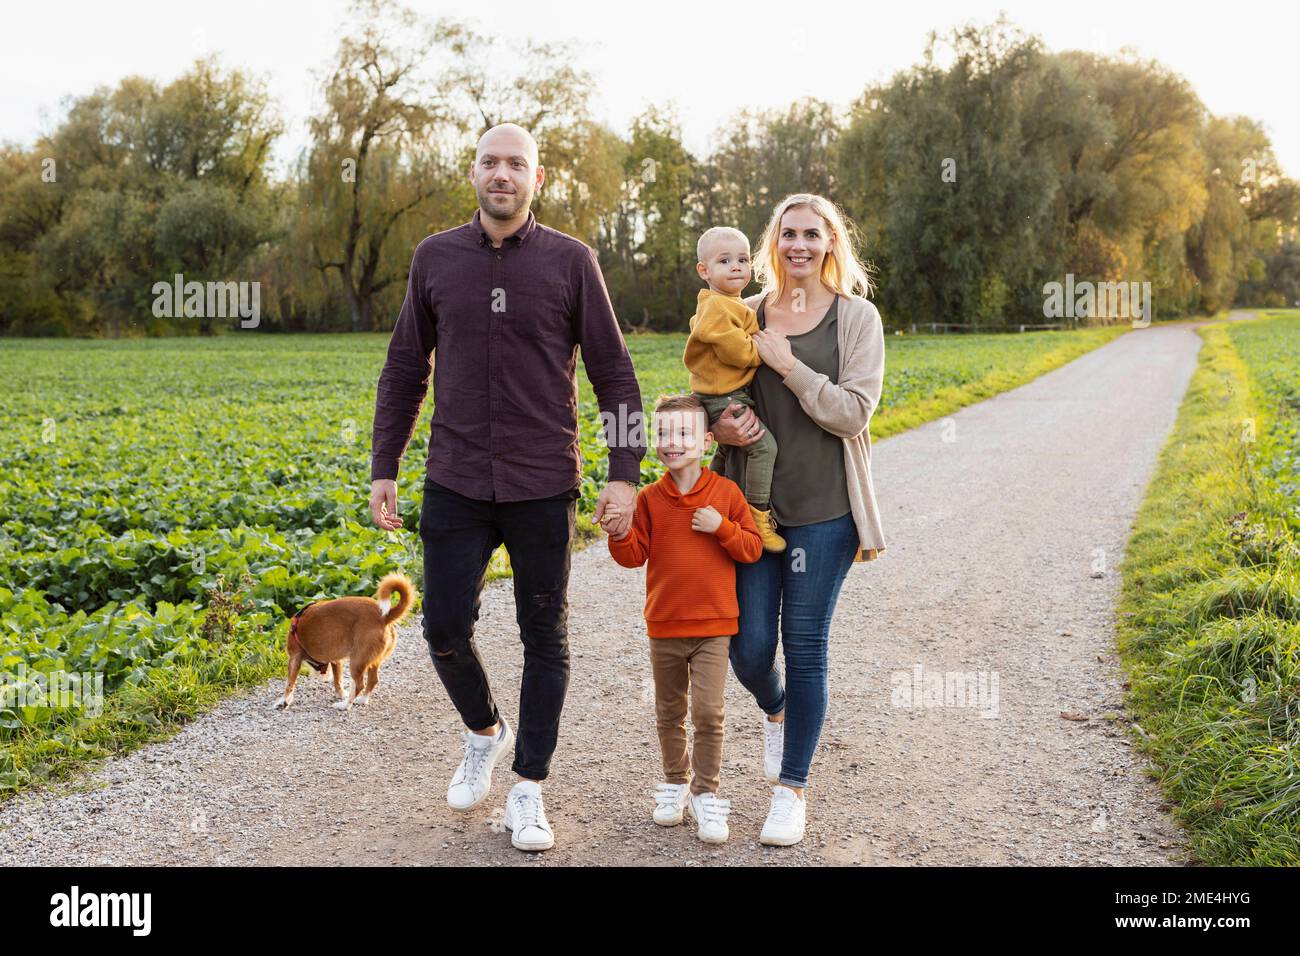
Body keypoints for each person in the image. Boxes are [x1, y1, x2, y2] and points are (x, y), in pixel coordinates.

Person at [368, 123, 645, 853]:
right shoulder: (435, 258)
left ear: (537, 179)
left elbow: (613, 373)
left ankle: (529, 787)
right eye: (491, 162)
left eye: (516, 163)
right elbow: (404, 369)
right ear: (473, 173)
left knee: (543, 635)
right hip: (455, 477)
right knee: (443, 627)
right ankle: (485, 732)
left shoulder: (570, 262)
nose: (502, 174)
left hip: (541, 480)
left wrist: (624, 474)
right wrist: (384, 466)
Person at [708, 193, 887, 846]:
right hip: (754, 515)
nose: (800, 245)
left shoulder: (857, 319)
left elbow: (851, 414)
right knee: (749, 648)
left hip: (826, 514)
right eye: (788, 234)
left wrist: (786, 364)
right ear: (773, 243)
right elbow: (712, 392)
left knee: (805, 645)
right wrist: (716, 419)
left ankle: (792, 789)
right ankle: (776, 709)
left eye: (813, 234)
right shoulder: (746, 313)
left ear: (832, 244)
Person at [604, 394, 762, 843]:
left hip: (714, 628)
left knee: (709, 713)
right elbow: (635, 557)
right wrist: (619, 533)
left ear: (706, 440)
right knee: (669, 711)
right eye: (663, 433)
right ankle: (674, 783)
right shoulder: (651, 499)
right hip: (665, 626)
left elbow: (751, 549)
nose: (672, 442)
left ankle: (707, 793)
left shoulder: (726, 495)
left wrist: (722, 528)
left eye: (683, 434)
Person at [683, 226, 785, 552]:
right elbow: (736, 351)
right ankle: (758, 513)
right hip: (722, 397)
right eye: (725, 261)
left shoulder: (730, 303)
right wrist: (764, 352)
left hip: (722, 394)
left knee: (727, 450)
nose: (736, 266)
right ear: (704, 271)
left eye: (742, 259)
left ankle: (705, 495)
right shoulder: (717, 306)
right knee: (762, 447)